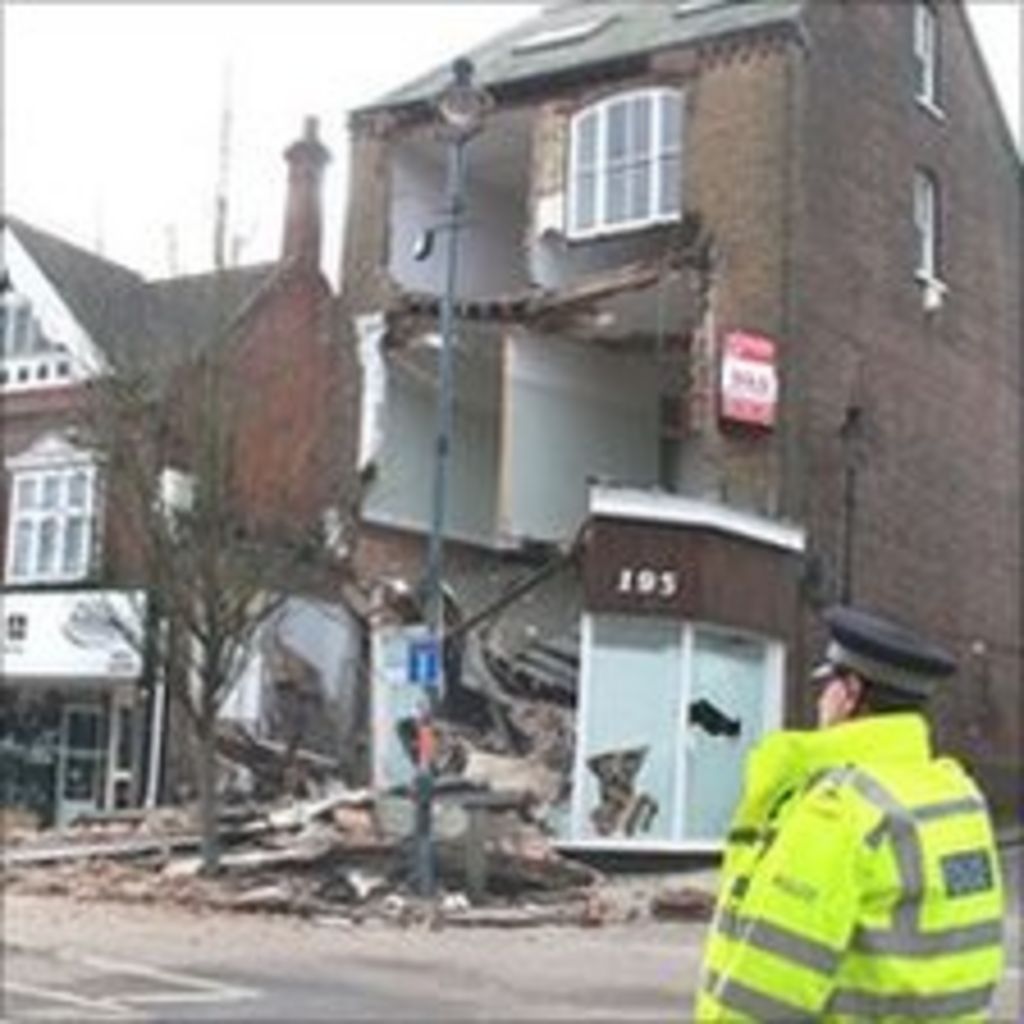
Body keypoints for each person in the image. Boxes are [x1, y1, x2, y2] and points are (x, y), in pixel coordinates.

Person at [695, 605, 1005, 1021]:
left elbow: (765, 991)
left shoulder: (839, 811)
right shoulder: (959, 798)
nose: (822, 700)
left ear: (850, 693)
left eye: (827, 687)